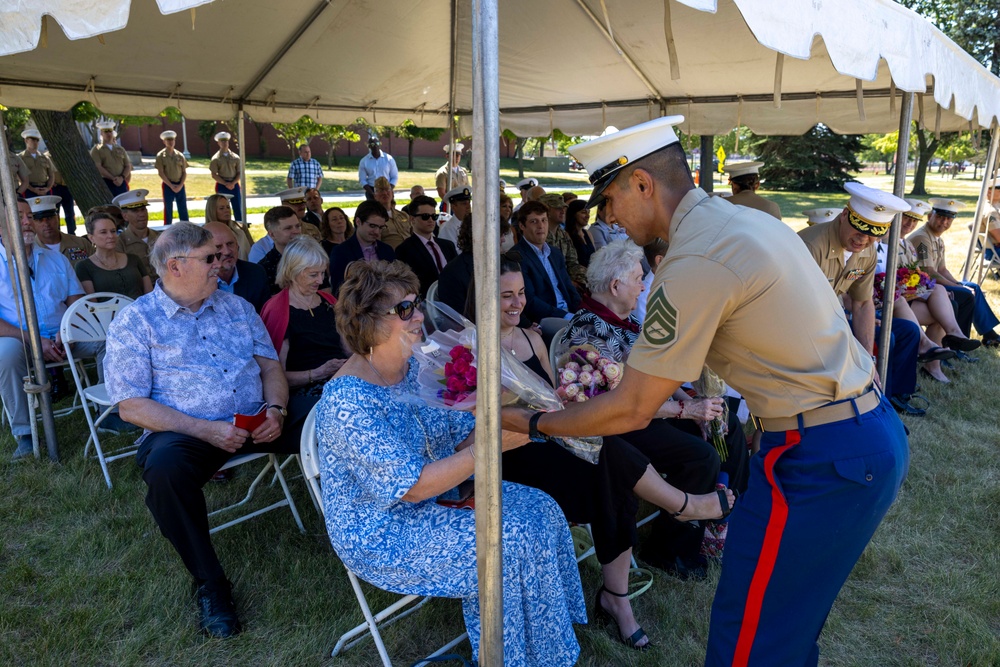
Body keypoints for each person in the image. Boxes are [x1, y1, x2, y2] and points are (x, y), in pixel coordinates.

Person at [502, 116, 909, 667]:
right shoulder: (734, 222)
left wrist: (531, 423)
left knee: (750, 640)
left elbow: (633, 407)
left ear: (643, 184)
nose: (609, 217)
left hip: (823, 452)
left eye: (611, 198)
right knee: (784, 627)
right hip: (850, 434)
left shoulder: (694, 259)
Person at [315, 259, 586, 665]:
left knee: (541, 511)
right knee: (504, 544)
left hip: (442, 494)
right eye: (405, 309)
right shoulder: (345, 402)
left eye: (417, 303)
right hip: (383, 529)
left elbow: (460, 438)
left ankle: (545, 647)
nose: (419, 315)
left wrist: (520, 414)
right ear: (369, 321)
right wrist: (490, 446)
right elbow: (413, 488)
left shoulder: (414, 369)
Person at [493, 252, 733, 648]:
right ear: (486, 299)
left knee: (614, 463)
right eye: (505, 296)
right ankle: (681, 507)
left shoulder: (533, 337)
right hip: (517, 453)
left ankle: (616, 596)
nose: (518, 302)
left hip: (556, 436)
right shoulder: (475, 350)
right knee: (614, 460)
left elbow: (557, 399)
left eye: (520, 293)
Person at [105, 222, 306, 639]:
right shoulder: (136, 321)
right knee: (164, 470)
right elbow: (130, 405)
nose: (222, 263)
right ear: (175, 266)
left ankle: (372, 522)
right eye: (210, 258)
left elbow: (271, 368)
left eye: (219, 255)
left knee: (332, 414)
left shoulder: (236, 307)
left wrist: (278, 409)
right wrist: (207, 430)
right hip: (188, 431)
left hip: (260, 418)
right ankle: (210, 584)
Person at [560, 240, 748, 569]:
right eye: (637, 279)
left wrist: (692, 402)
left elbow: (655, 376)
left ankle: (722, 523)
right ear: (615, 286)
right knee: (699, 455)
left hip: (648, 413)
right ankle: (670, 553)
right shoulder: (587, 332)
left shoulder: (625, 324)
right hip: (617, 427)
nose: (643, 286)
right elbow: (618, 403)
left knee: (726, 422)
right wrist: (685, 411)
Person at [798, 182, 939, 414]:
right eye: (859, 230)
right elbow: (809, 314)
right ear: (845, 215)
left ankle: (888, 401)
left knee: (906, 331)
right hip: (806, 327)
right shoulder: (812, 247)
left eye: (874, 236)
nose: (863, 240)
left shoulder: (867, 250)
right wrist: (860, 356)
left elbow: (863, 302)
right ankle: (866, 407)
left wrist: (868, 357)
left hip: (831, 321)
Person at [1, 198, 107, 459]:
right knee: (5, 355)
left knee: (109, 338)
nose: (26, 221)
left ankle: (111, 412)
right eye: (18, 216)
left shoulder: (55, 259)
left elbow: (77, 302)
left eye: (29, 216)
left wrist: (68, 329)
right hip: (20, 338)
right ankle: (26, 434)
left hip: (64, 335)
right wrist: (34, 339)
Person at [260, 237, 346, 406]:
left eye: (323, 273)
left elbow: (347, 346)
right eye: (313, 275)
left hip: (340, 380)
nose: (321, 281)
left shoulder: (328, 301)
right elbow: (274, 375)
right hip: (307, 394)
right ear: (293, 272)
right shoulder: (278, 310)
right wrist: (318, 373)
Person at [909, 198, 1000, 347]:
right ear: (930, 216)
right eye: (940, 217)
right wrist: (959, 288)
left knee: (973, 287)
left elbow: (942, 270)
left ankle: (988, 334)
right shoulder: (922, 238)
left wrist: (958, 284)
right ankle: (958, 343)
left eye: (949, 219)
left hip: (931, 285)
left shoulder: (937, 239)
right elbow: (930, 272)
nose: (944, 222)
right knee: (965, 295)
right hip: (921, 287)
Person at [514, 201, 581, 322]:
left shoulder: (555, 253)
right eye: (534, 221)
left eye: (544, 220)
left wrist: (580, 311)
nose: (541, 226)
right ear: (522, 226)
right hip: (545, 319)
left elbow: (569, 287)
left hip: (569, 314)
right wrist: (566, 316)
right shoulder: (517, 256)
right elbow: (530, 301)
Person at [75, 209, 152, 299]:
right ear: (91, 238)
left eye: (113, 231)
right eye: (103, 232)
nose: (111, 236)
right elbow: (91, 304)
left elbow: (150, 295)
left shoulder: (134, 259)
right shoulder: (84, 266)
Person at [328, 200, 395, 294]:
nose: (377, 232)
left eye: (381, 227)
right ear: (358, 222)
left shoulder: (387, 250)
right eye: (372, 226)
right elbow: (338, 291)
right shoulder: (341, 252)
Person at [395, 194, 456, 296]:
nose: (431, 220)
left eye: (434, 216)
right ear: (412, 219)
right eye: (425, 216)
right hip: (427, 303)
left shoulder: (447, 245)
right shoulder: (404, 250)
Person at [204, 222, 270, 313]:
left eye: (230, 244)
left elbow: (265, 315)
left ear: (237, 245)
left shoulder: (256, 273)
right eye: (218, 247)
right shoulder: (199, 279)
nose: (227, 251)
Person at [29, 194, 93, 266]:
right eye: (40, 220)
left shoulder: (81, 244)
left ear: (58, 218)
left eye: (50, 218)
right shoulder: (29, 250)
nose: (46, 224)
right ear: (32, 223)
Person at [539, 193, 587, 285]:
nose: (563, 211)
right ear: (546, 211)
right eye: (558, 208)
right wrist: (568, 283)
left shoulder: (563, 234)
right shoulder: (538, 235)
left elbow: (572, 263)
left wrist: (588, 277)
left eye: (564, 208)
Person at [113, 189, 159, 281]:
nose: (142, 214)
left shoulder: (160, 237)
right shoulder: (119, 243)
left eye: (143, 209)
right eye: (135, 211)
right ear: (125, 216)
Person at [258, 206, 304, 295]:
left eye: (297, 226)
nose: (296, 231)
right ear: (272, 234)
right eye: (288, 228)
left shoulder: (312, 258)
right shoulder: (265, 268)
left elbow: (325, 292)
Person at [204, 193, 253, 261]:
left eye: (228, 207)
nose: (226, 210)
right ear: (213, 211)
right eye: (221, 208)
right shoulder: (204, 233)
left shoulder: (240, 227)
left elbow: (252, 247)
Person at [155, 130, 188, 225]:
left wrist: (180, 185)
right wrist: (171, 185)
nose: (171, 142)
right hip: (168, 185)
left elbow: (184, 172)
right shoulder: (161, 156)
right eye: (168, 140)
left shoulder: (180, 155)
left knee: (183, 208)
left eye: (172, 139)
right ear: (164, 142)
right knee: (168, 209)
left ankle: (185, 226)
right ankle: (167, 227)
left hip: (180, 185)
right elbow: (161, 173)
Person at [90, 121, 131, 197]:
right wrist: (113, 178)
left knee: (123, 207)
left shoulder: (120, 149)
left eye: (110, 131)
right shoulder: (97, 150)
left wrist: (122, 178)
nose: (108, 134)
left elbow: (128, 165)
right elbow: (98, 167)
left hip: (121, 182)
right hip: (106, 183)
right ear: (101, 133)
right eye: (105, 131)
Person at [209, 131, 243, 221]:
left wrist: (233, 183)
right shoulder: (215, 158)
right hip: (222, 184)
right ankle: (223, 225)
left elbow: (240, 172)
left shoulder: (235, 157)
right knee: (221, 208)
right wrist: (225, 183)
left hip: (234, 184)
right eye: (222, 141)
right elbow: (214, 174)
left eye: (226, 141)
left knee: (238, 207)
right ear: (218, 143)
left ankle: (239, 225)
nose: (224, 143)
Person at [373, 176, 410, 249]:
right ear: (375, 196)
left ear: (392, 193)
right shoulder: (374, 219)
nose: (384, 193)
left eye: (387, 190)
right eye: (380, 190)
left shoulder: (403, 215)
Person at [357, 135, 398, 199]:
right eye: (372, 144)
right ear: (369, 146)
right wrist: (373, 193)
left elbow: (394, 177)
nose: (375, 145)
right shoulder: (364, 161)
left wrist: (388, 190)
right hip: (371, 191)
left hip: (387, 189)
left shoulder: (389, 159)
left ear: (380, 145)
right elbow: (362, 180)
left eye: (377, 143)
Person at [19, 129, 55, 198]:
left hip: (44, 189)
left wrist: (47, 188)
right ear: (26, 140)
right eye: (32, 140)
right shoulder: (20, 158)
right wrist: (33, 189)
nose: (35, 142)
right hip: (28, 189)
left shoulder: (45, 157)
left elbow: (51, 175)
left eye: (37, 140)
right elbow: (19, 177)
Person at [435, 142, 470, 208]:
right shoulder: (442, 172)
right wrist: (453, 205)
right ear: (447, 156)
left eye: (458, 155)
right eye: (454, 155)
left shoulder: (463, 171)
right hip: (449, 205)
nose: (457, 157)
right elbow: (442, 193)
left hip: (463, 204)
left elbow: (467, 188)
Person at [565, 199, 597, 268]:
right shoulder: (567, 235)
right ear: (574, 214)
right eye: (583, 212)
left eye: (588, 212)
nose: (587, 215)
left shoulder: (588, 233)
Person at [50, 160, 77, 235]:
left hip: (67, 187)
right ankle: (57, 232)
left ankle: (72, 232)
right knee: (55, 212)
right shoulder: (47, 157)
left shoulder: (67, 156)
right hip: (55, 187)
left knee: (70, 212)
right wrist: (51, 182)